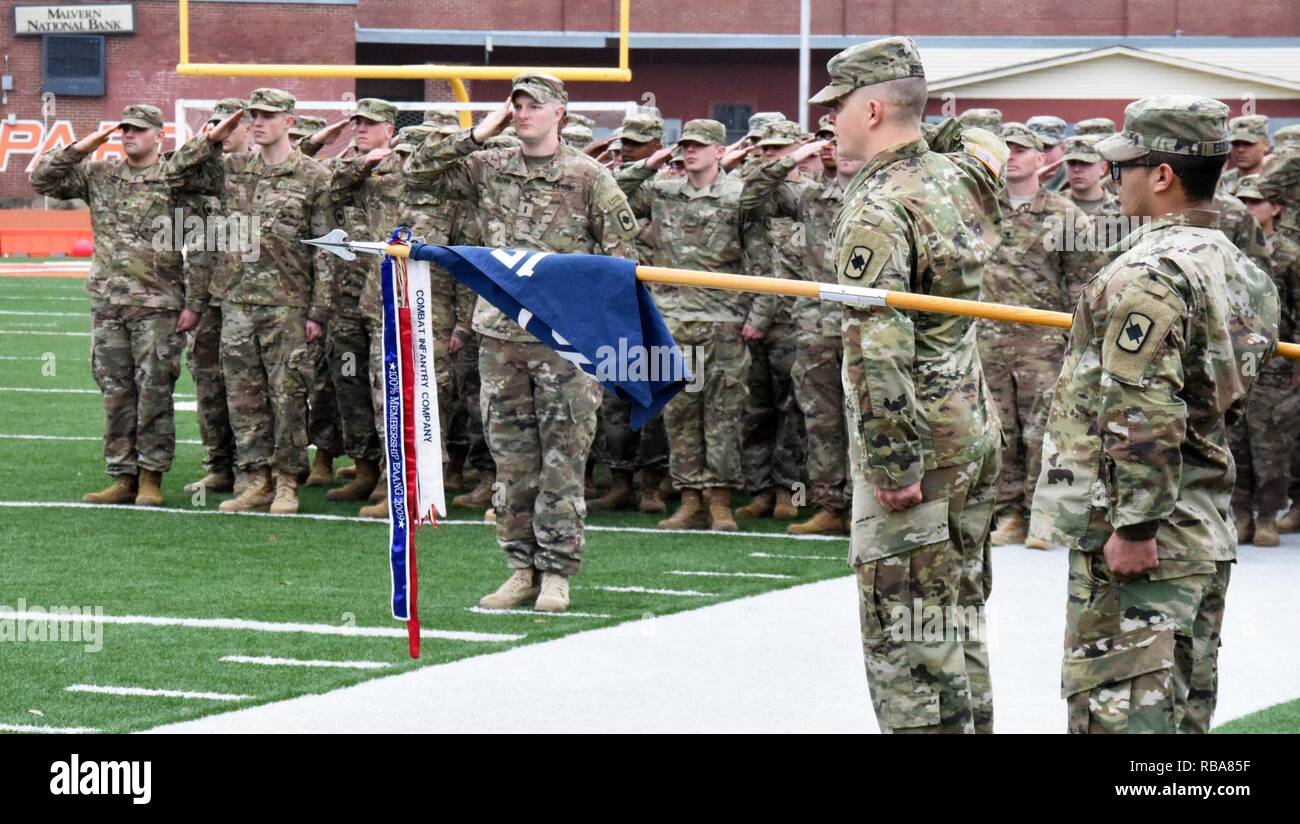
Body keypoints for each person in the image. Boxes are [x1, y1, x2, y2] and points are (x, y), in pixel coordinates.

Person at [1029, 96, 1279, 734]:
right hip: (1199, 517)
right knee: (1181, 719)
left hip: (1149, 536)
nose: (1114, 181)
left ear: (1161, 175)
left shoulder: (1149, 272)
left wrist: (1136, 526)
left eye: (1123, 168)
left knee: (1124, 717)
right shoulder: (1239, 267)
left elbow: (1143, 409)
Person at [812, 36, 1006, 733]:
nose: (827, 121)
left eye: (836, 106)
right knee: (956, 615)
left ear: (869, 108)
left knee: (908, 636)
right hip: (972, 429)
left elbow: (876, 345)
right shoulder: (964, 177)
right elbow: (989, 137)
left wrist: (893, 463)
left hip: (919, 445)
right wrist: (922, 114)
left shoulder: (878, 208)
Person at [404, 72, 639, 613]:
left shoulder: (589, 177)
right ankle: (519, 569)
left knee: (563, 458)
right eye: (517, 104)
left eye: (536, 105)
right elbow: (418, 173)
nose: (524, 113)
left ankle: (557, 572)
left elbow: (622, 262)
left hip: (564, 342)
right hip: (500, 335)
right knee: (511, 461)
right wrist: (480, 132)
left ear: (561, 112)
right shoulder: (490, 166)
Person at [164, 88, 336, 515]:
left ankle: (286, 483)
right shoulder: (232, 168)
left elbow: (328, 248)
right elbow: (172, 175)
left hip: (287, 305)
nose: (257, 122)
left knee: (288, 397)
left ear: (289, 122)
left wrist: (319, 311)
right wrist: (210, 139)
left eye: (267, 115)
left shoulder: (314, 177)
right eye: (252, 116)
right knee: (244, 398)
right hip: (236, 303)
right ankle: (254, 478)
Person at [30, 104, 199, 507]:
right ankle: (122, 475)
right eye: (125, 128)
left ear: (159, 135)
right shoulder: (99, 174)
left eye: (139, 130)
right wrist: (84, 146)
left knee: (154, 390)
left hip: (157, 304)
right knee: (115, 391)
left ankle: (151, 477)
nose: (129, 135)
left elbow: (201, 239)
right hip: (108, 303)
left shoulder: (174, 178)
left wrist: (194, 301)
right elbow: (41, 178)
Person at [618, 119, 760, 532]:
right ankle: (689, 497)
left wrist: (759, 315)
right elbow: (614, 193)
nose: (689, 152)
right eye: (685, 145)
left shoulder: (738, 195)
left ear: (720, 150)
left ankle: (719, 499)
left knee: (724, 412)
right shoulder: (662, 192)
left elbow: (760, 256)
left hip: (724, 320)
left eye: (699, 146)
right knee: (679, 413)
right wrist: (649, 163)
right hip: (672, 319)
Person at [741, 129, 864, 535]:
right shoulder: (811, 196)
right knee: (821, 420)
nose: (839, 149)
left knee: (871, 417)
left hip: (870, 324)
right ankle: (831, 505)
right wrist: (793, 157)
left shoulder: (884, 194)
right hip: (817, 325)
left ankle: (870, 508)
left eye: (845, 140)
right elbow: (753, 194)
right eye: (831, 143)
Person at [982, 123, 1097, 548]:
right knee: (999, 431)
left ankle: (1044, 515)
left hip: (1043, 342)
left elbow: (1083, 280)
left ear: (1041, 159)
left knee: (1044, 431)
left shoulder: (1064, 213)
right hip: (987, 339)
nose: (1012, 155)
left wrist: (1076, 339)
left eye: (1021, 149)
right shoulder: (980, 206)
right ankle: (1009, 513)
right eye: (1005, 148)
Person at [736, 119, 809, 522]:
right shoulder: (752, 199)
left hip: (792, 323)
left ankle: (791, 492)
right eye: (765, 150)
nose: (770, 156)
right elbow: (754, 190)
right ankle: (759, 490)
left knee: (793, 413)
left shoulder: (808, 197)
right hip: (748, 319)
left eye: (780, 150)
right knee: (755, 411)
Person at [1228, 174, 1300, 545]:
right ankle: (1240, 514)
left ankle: (1268, 516)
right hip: (1235, 359)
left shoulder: (1289, 253)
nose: (1248, 208)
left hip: (1276, 361)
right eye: (1242, 201)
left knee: (1271, 444)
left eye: (1255, 201)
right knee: (1235, 440)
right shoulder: (1231, 250)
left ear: (1276, 208)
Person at [183, 97, 247, 495]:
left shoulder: (259, 171)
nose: (221, 131)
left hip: (247, 295)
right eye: (215, 124)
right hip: (205, 297)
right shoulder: (199, 170)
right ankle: (219, 464)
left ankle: (256, 467)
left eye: (229, 124)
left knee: (249, 387)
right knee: (209, 384)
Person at [1218, 115, 1271, 195]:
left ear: (1265, 145)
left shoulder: (1277, 180)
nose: (1240, 150)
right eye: (1235, 144)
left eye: (1248, 144)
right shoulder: (1221, 182)